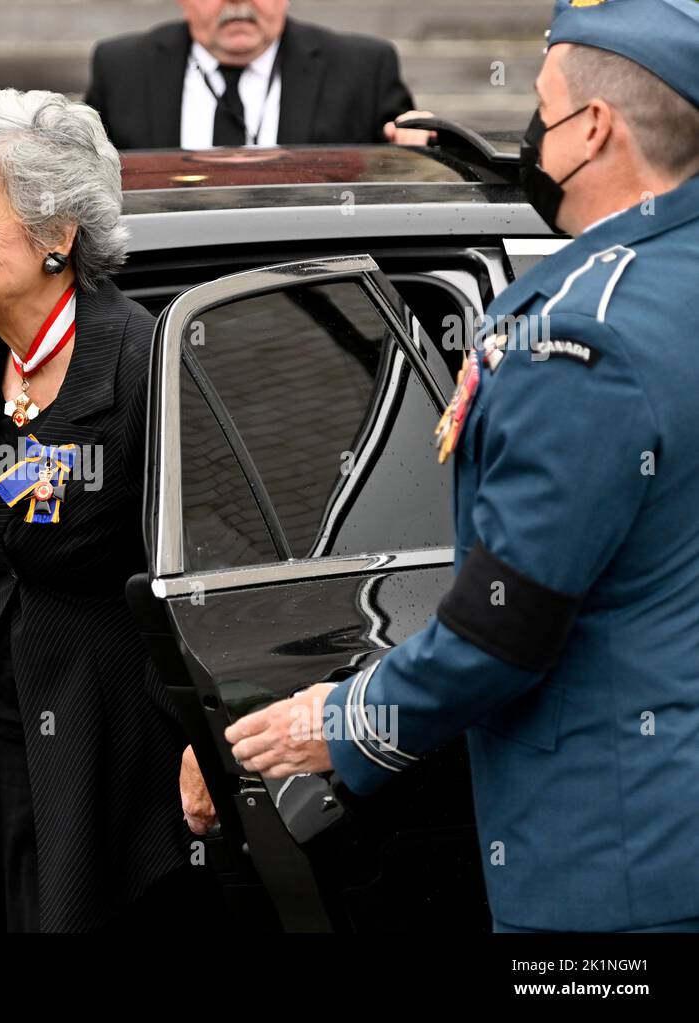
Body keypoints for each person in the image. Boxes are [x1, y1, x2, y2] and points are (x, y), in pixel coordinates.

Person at [221, 0, 699, 933]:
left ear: (593, 128)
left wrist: (342, 719)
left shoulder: (578, 332)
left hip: (610, 866)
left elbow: (504, 629)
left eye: (543, 106)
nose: (532, 131)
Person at [0, 88, 220, 932]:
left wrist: (215, 744)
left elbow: (220, 570)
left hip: (129, 752)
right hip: (6, 743)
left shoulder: (141, 362)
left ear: (56, 234)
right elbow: (14, 562)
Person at [84, 0, 433, 150]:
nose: (238, 2)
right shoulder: (121, 68)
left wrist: (423, 142)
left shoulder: (363, 69)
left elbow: (412, 164)